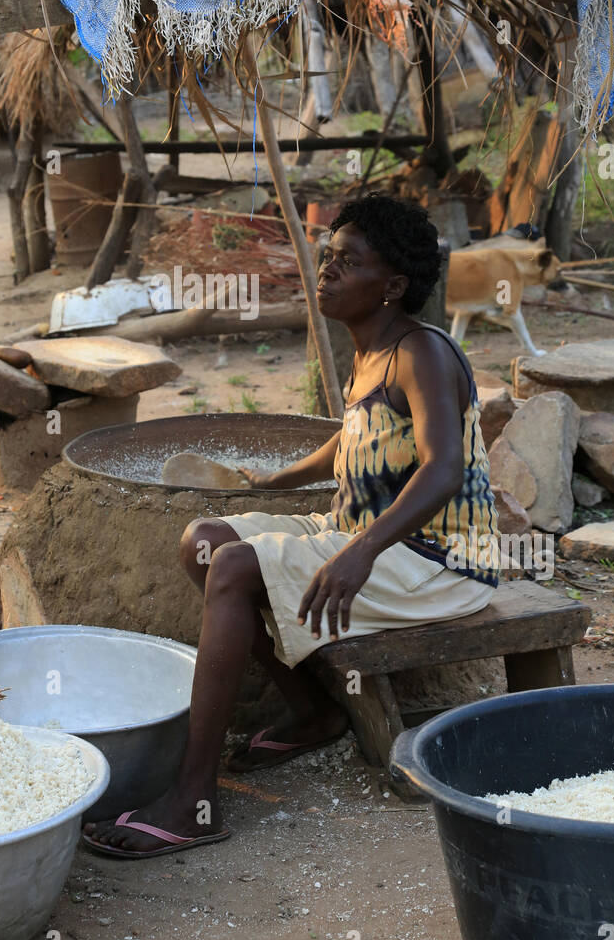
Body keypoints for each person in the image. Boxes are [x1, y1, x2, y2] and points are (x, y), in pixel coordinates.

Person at [83, 192, 499, 859]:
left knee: (237, 569)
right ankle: (315, 710)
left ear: (392, 287)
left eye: (347, 263)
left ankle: (193, 801)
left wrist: (360, 551)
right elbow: (351, 438)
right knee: (204, 543)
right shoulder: (371, 351)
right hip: (376, 539)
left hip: (439, 562)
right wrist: (274, 481)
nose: (326, 271)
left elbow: (443, 468)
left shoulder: (422, 352)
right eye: (327, 257)